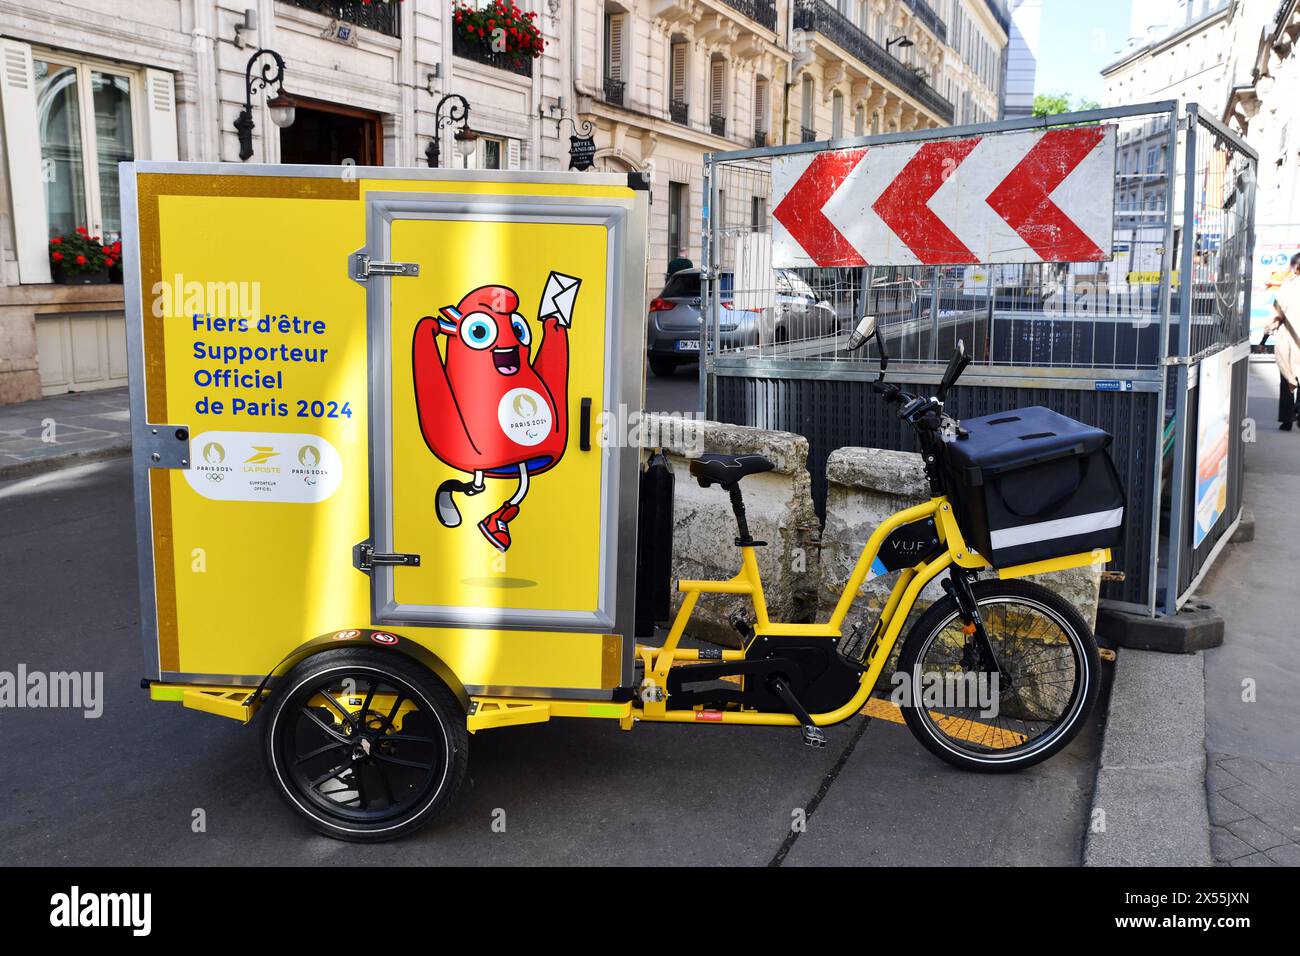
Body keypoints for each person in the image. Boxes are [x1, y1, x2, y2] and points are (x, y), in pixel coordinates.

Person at [1265, 252, 1300, 430]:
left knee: (1287, 379)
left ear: (1294, 267)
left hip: (1290, 341)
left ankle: (1287, 419)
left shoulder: (1288, 287)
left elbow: (1276, 315)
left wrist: (1266, 332)